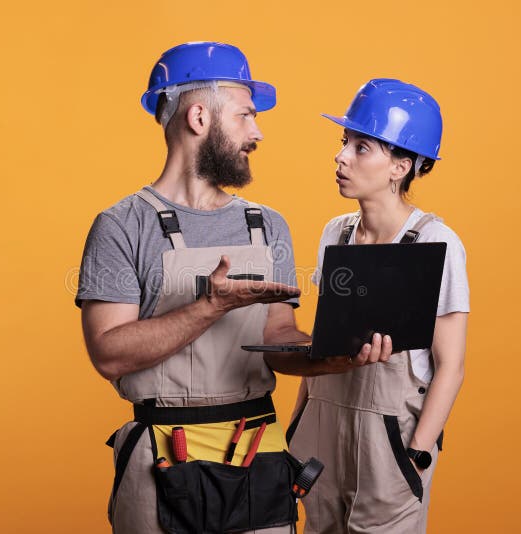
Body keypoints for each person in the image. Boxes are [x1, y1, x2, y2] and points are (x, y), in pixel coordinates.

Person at [75, 42, 393, 534]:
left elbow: (280, 340)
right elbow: (110, 355)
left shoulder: (266, 226)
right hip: (162, 456)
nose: (257, 131)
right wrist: (210, 306)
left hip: (255, 454)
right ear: (199, 117)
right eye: (245, 115)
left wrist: (333, 354)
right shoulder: (121, 226)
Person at [285, 79, 470, 533]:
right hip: (321, 436)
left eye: (361, 147)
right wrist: (293, 431)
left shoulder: (435, 242)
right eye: (344, 142)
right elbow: (321, 342)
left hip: (390, 445)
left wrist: (419, 454)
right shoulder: (336, 233)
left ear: (400, 167)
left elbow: (451, 365)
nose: (341, 156)